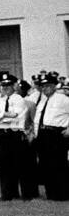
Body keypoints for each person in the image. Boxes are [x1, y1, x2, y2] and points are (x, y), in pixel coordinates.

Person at [0, 72, 32, 200]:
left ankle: (26, 194)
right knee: (4, 164)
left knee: (20, 165)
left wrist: (0, 116)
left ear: (14, 85)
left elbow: (15, 115)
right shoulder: (0, 100)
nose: (5, 88)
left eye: (8, 85)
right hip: (3, 134)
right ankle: (8, 193)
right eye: (3, 85)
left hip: (16, 134)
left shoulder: (18, 99)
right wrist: (4, 115)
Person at [30, 70, 69, 200]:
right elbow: (38, 119)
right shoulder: (42, 100)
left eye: (47, 86)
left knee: (59, 164)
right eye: (42, 86)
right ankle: (51, 193)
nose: (44, 88)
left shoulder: (63, 99)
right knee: (46, 165)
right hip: (43, 134)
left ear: (54, 86)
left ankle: (62, 193)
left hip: (56, 134)